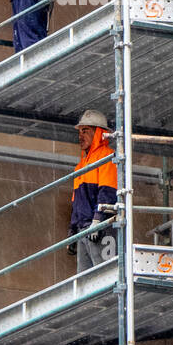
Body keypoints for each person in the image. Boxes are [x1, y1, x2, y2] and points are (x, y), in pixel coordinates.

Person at [69, 109, 117, 272]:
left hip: (102, 228)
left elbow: (108, 192)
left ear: (98, 133)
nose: (80, 136)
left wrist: (98, 220)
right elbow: (76, 203)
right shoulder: (80, 167)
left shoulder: (107, 157)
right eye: (80, 132)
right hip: (84, 229)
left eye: (86, 131)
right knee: (86, 283)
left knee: (104, 275)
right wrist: (72, 231)